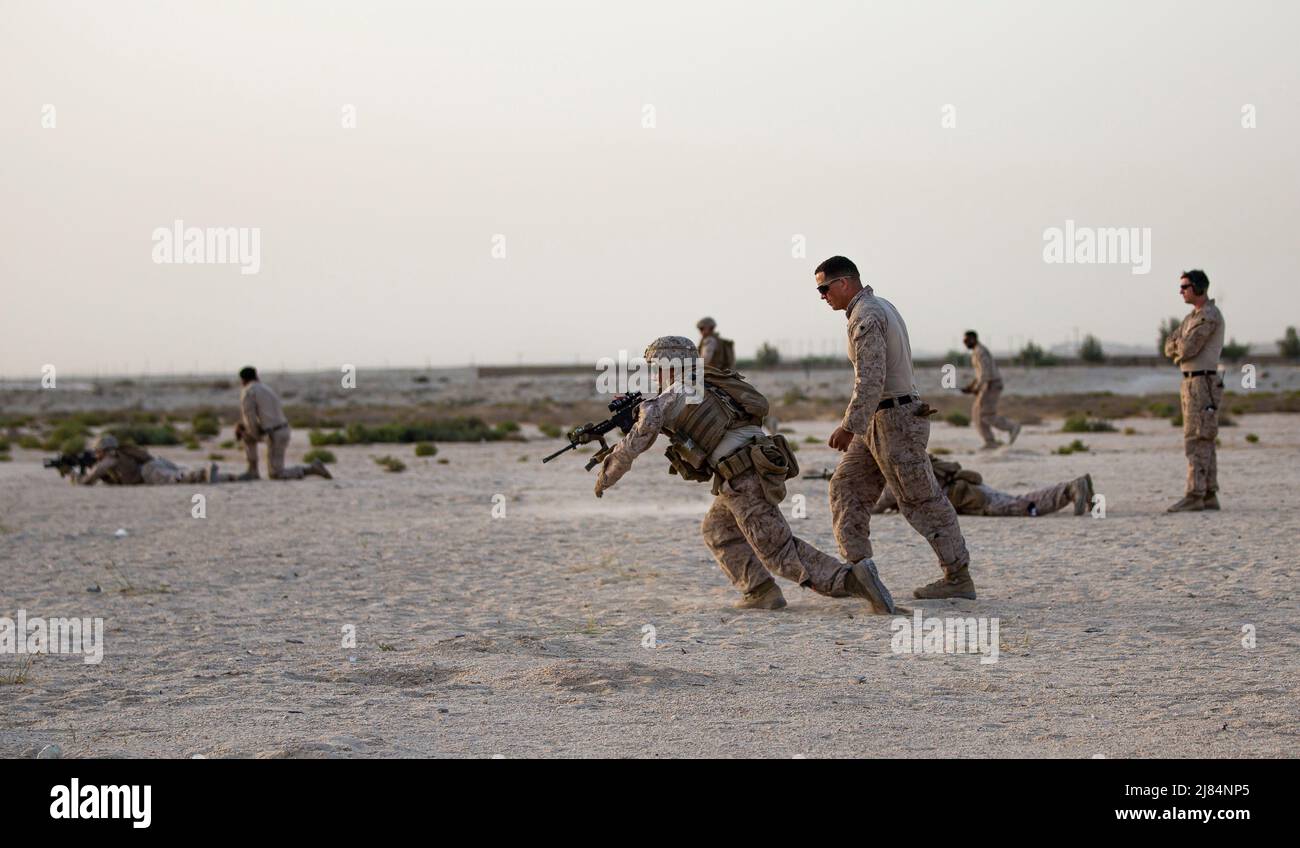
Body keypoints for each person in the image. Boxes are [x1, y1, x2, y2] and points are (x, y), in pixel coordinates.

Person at [593, 336, 898, 613]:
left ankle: (852, 579)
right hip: (748, 470)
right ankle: (760, 590)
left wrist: (607, 474)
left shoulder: (673, 395)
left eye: (656, 368)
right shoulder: (710, 383)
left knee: (778, 551)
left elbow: (638, 441)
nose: (655, 375)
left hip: (742, 477)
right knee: (718, 529)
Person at [814, 255, 976, 600]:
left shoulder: (867, 315)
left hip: (894, 420)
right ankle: (861, 572)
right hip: (880, 419)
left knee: (920, 500)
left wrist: (848, 425)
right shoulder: (875, 307)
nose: (822, 296)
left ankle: (957, 576)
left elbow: (871, 378)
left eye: (824, 288)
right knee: (846, 488)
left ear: (844, 283)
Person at [1162, 269, 1225, 512]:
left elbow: (1187, 348)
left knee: (1198, 438)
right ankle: (1208, 492)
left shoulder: (1209, 316)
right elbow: (1169, 345)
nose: (1181, 291)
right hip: (1190, 381)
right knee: (1202, 437)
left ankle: (1195, 493)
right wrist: (1177, 348)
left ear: (1199, 288)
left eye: (1185, 286)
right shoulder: (1191, 317)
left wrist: (1179, 348)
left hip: (1202, 382)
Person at [871, 454, 1094, 517]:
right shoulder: (908, 460)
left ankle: (1069, 490)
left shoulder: (894, 478)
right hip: (971, 491)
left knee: (1022, 506)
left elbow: (878, 505)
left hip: (971, 497)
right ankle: (1073, 488)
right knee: (1018, 500)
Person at [237, 366, 331, 481]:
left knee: (276, 473)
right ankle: (253, 470)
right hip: (282, 429)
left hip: (273, 433)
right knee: (248, 435)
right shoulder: (266, 388)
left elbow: (249, 418)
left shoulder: (248, 391)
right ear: (256, 376)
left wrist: (247, 433)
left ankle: (310, 469)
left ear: (243, 380)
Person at [75, 434, 236, 485]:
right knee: (181, 473)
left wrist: (76, 478)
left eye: (97, 452)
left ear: (103, 450)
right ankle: (228, 477)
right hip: (156, 463)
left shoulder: (111, 458)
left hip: (148, 471)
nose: (96, 455)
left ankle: (203, 473)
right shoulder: (122, 453)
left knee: (177, 479)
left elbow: (91, 479)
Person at [961, 330, 1021, 449]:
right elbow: (979, 374)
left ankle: (1012, 426)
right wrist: (971, 386)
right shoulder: (976, 352)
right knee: (977, 414)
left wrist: (976, 388)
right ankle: (990, 442)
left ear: (973, 339)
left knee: (986, 414)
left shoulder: (981, 351)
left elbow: (986, 374)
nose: (965, 343)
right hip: (986, 386)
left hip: (991, 385)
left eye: (966, 341)